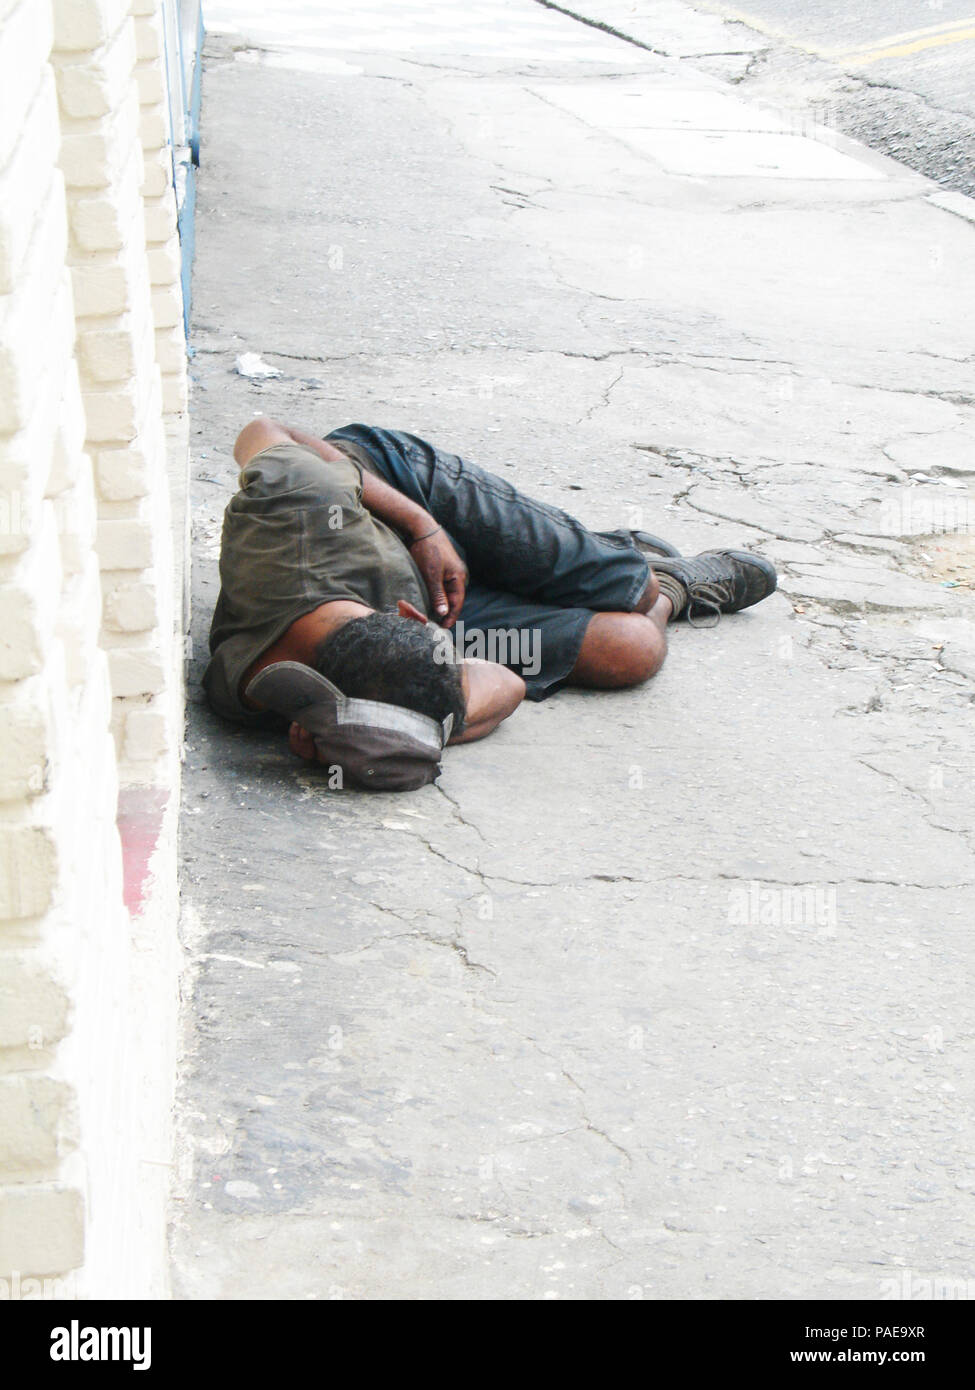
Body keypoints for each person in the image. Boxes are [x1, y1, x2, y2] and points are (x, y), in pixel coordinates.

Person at [203, 417, 776, 767]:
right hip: (442, 605)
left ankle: (608, 559)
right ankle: (672, 585)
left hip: (401, 490)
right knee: (633, 645)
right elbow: (498, 683)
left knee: (632, 584)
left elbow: (263, 430)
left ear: (405, 616)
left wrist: (423, 526)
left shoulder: (298, 505)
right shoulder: (263, 693)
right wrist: (405, 739)